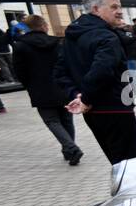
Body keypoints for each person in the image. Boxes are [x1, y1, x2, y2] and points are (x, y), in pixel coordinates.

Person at [54, 0, 136, 164]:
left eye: (119, 7)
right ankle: (128, 193)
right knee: (128, 165)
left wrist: (77, 95)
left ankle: (124, 190)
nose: (120, 12)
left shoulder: (73, 34)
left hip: (94, 112)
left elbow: (60, 73)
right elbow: (101, 71)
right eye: (114, 7)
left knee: (118, 162)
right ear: (96, 9)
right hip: (114, 108)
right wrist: (84, 99)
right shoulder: (106, 37)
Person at [13, 15, 83, 164]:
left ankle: (70, 148)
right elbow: (68, 63)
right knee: (66, 119)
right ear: (43, 25)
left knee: (51, 120)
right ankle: (69, 149)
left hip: (39, 89)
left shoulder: (20, 46)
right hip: (62, 86)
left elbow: (19, 71)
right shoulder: (58, 42)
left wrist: (28, 85)